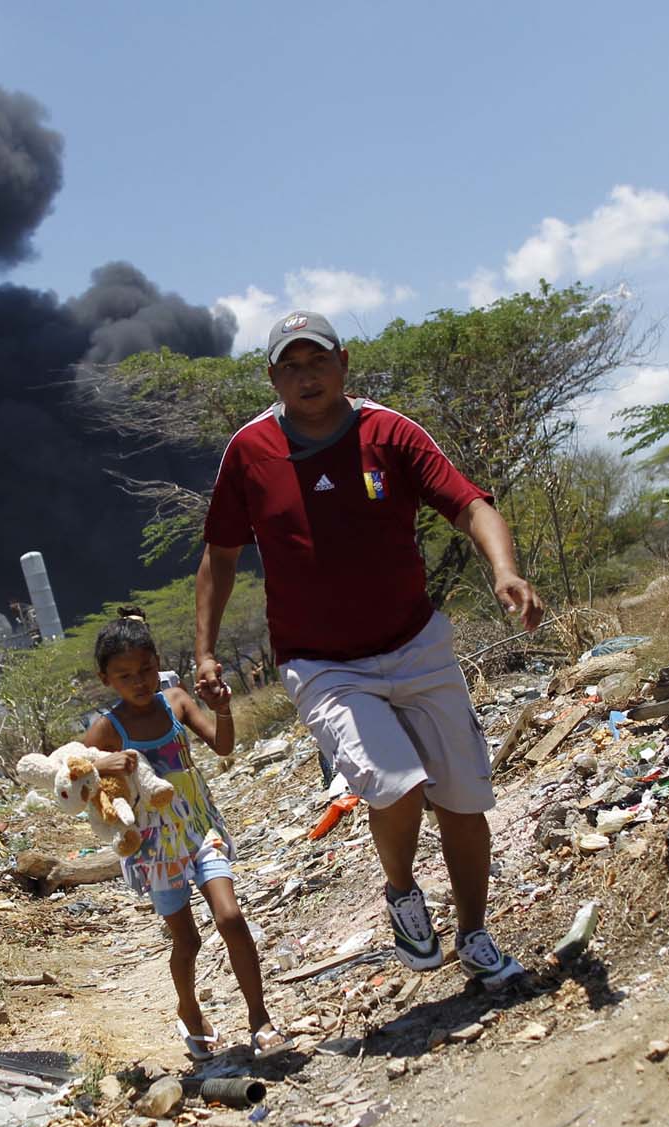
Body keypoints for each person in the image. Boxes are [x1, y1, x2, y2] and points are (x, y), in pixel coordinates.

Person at [194, 310, 545, 989]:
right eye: (290, 366)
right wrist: (206, 650)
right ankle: (402, 891)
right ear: (272, 377)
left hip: (417, 644)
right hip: (321, 662)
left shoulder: (389, 431)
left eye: (316, 360)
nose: (306, 376)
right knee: (391, 781)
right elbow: (221, 553)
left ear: (344, 362)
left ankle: (474, 936)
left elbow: (470, 504)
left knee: (465, 804)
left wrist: (504, 569)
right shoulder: (251, 450)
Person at [84, 610, 285, 1057]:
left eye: (145, 670)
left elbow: (224, 746)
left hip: (198, 827)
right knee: (188, 940)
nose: (139, 682)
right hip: (155, 847)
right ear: (106, 679)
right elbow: (70, 770)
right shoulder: (107, 728)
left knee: (230, 918)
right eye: (125, 676)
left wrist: (224, 709)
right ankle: (189, 1010)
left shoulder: (175, 702)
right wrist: (103, 763)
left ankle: (260, 1019)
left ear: (158, 663)